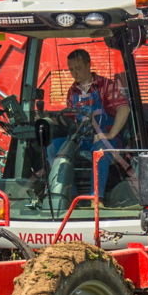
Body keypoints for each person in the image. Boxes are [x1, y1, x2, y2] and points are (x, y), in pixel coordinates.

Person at [47, 48, 131, 199]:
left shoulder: (106, 85)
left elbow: (124, 108)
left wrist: (110, 134)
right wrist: (59, 119)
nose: (74, 73)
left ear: (88, 65)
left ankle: (95, 198)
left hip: (106, 140)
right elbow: (73, 120)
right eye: (71, 69)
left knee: (100, 150)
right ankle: (67, 196)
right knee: (53, 147)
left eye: (78, 68)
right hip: (81, 139)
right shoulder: (72, 91)